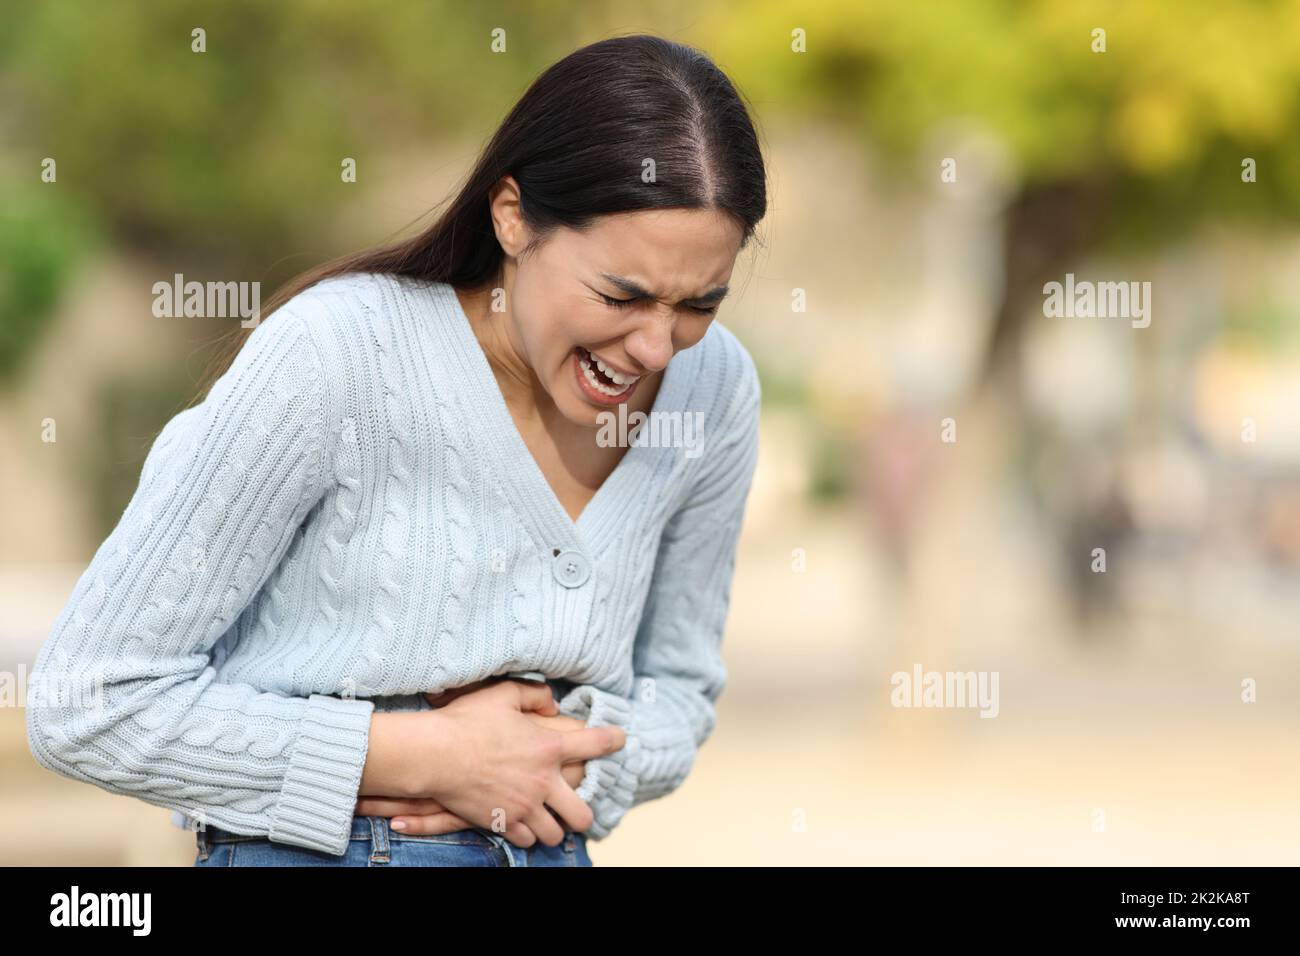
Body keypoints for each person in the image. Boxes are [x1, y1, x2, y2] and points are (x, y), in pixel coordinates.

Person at [26, 33, 767, 867]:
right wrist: (418, 756)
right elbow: (88, 698)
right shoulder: (336, 355)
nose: (659, 349)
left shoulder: (715, 390)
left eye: (700, 304)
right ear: (512, 216)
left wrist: (555, 762)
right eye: (621, 295)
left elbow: (681, 689)